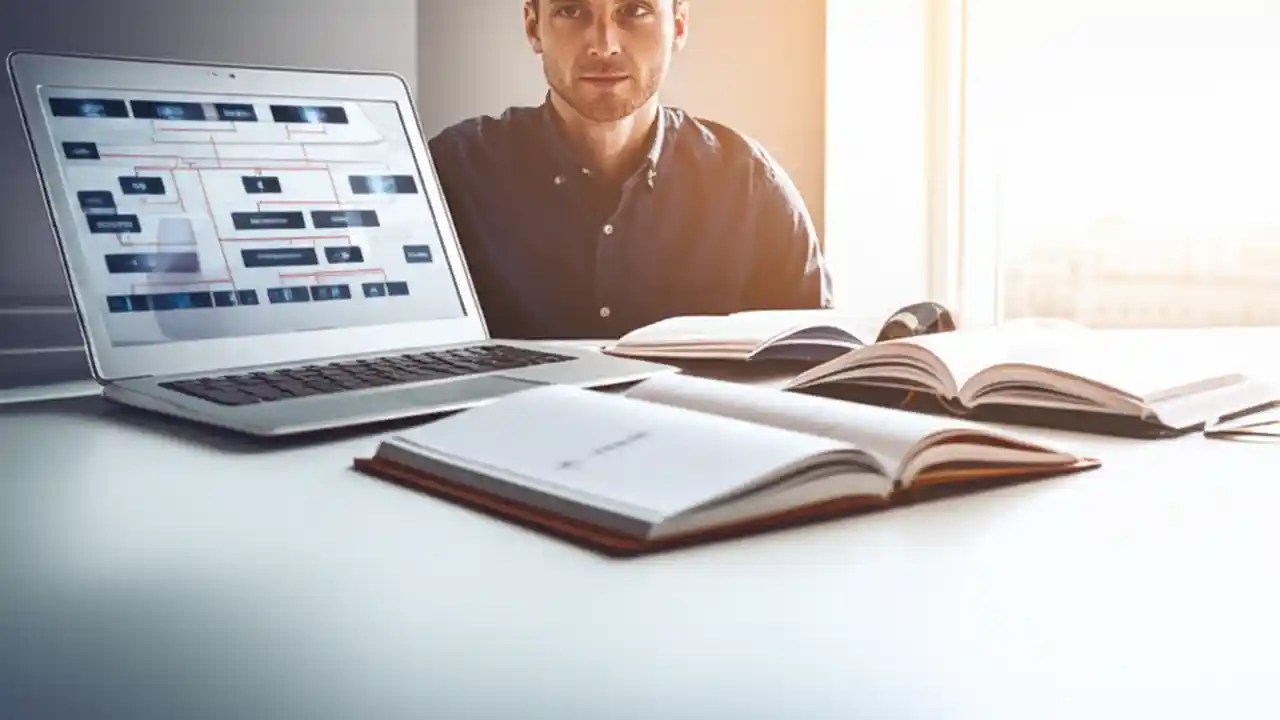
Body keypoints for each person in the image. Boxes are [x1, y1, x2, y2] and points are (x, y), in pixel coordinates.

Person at [428, 0, 832, 339]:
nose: (604, 46)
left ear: (678, 25)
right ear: (534, 28)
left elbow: (812, 371)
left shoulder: (750, 186)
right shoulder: (453, 175)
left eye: (634, 10)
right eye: (572, 10)